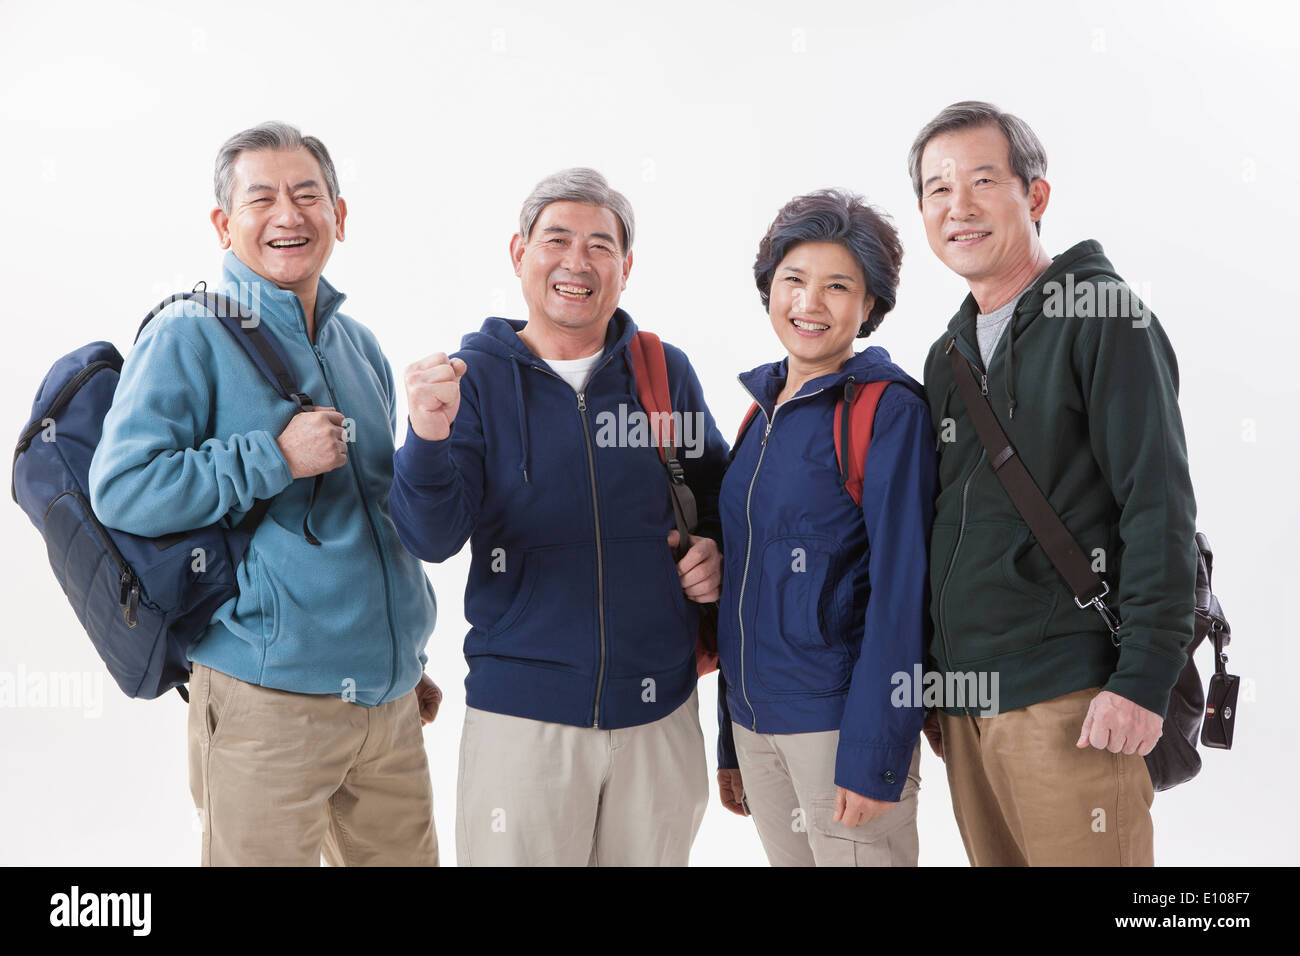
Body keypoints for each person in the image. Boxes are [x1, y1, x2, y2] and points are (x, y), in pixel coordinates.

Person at [88, 121, 441, 866]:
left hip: (388, 704)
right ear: (225, 223)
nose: (290, 215)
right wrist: (272, 457)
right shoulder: (190, 333)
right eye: (263, 198)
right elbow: (121, 488)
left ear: (339, 216)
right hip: (266, 703)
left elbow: (374, 515)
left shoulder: (360, 345)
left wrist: (400, 654)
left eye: (309, 194)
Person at [389, 167, 729, 866]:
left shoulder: (663, 371)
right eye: (557, 240)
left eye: (600, 246)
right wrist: (423, 439)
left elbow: (723, 496)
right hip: (522, 723)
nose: (577, 262)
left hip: (658, 715)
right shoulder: (471, 380)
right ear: (519, 254)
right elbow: (431, 536)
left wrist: (715, 549)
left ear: (626, 268)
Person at [910, 101, 1197, 866]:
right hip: (969, 714)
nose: (958, 206)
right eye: (937, 189)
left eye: (981, 180)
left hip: (1072, 699)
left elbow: (1159, 509)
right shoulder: (948, 358)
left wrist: (1141, 680)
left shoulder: (1104, 318)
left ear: (1034, 196)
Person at [714, 189, 934, 866]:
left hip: (838, 731)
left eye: (838, 286)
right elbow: (743, 584)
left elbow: (903, 595)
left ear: (869, 306)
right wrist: (728, 741)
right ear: (769, 289)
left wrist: (875, 755)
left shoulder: (885, 410)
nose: (810, 303)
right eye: (794, 281)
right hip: (758, 730)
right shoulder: (760, 411)